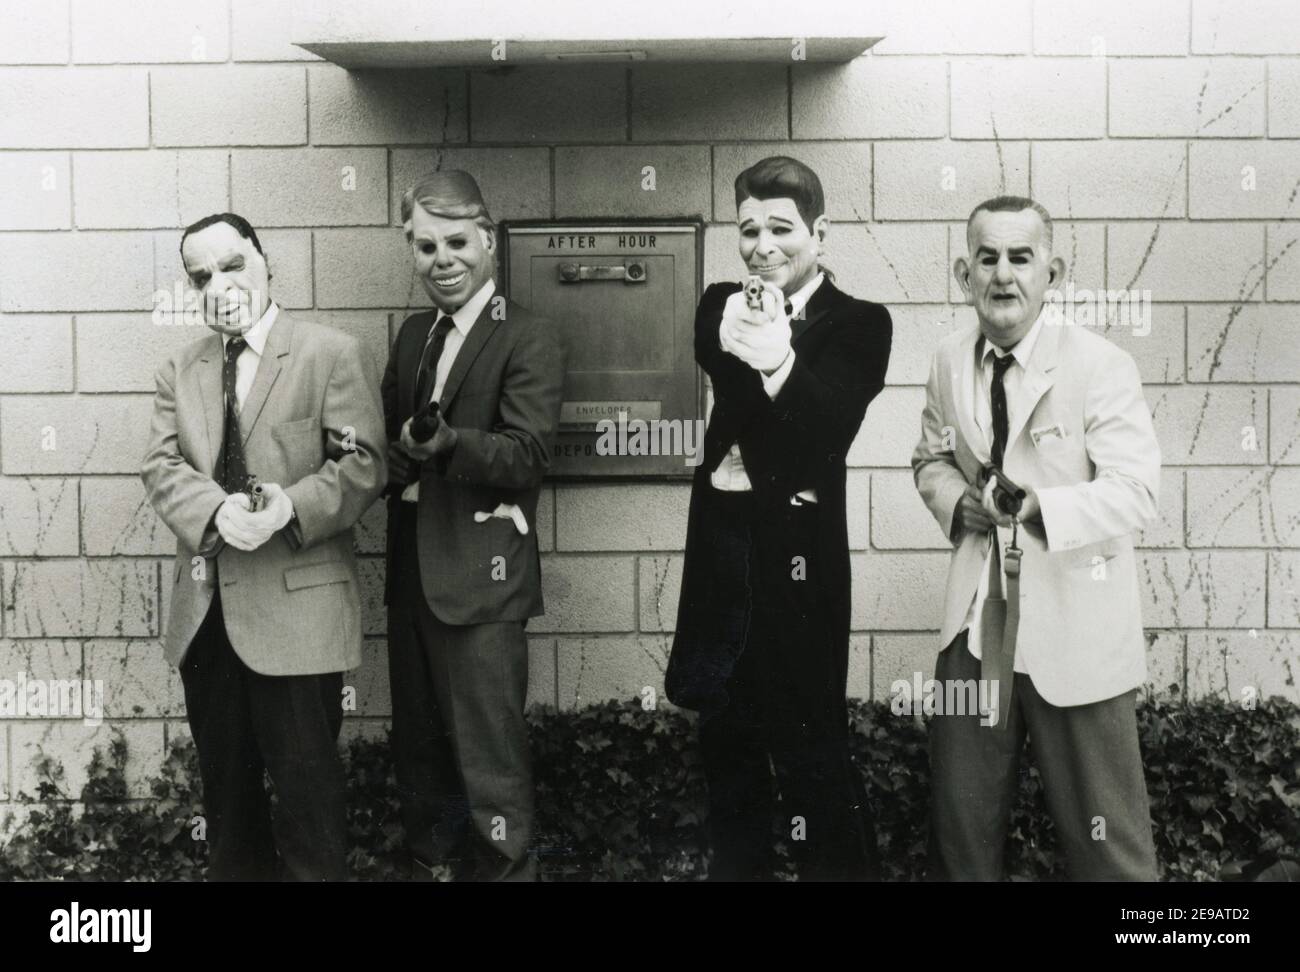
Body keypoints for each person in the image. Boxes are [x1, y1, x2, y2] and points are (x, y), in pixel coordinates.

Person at [912, 195, 1161, 881]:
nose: (1004, 274)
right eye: (987, 258)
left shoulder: (1099, 365)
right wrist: (957, 501)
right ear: (965, 275)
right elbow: (928, 457)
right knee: (962, 834)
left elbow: (1136, 489)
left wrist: (1038, 509)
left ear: (1053, 271)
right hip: (975, 631)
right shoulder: (946, 360)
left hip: (1075, 629)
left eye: (1021, 258)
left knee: (1108, 842)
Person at [141, 212, 386, 880]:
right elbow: (161, 469)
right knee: (230, 812)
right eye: (200, 275)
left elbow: (363, 466)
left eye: (232, 264)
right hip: (208, 620)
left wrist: (290, 507)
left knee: (309, 810)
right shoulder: (179, 370)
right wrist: (218, 509)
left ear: (264, 260)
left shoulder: (330, 353)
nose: (218, 283)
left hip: (297, 620)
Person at [665, 156, 892, 880]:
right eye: (749, 229)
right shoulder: (720, 305)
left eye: (783, 228)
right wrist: (776, 375)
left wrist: (778, 365)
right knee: (729, 762)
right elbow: (726, 358)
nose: (764, 246)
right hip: (726, 568)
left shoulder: (861, 324)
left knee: (814, 760)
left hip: (799, 577)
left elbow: (825, 430)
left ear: (819, 233)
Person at [382, 170, 564, 881]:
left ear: (488, 243)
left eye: (457, 241)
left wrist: (449, 444)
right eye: (425, 247)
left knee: (491, 771)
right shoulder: (411, 336)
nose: (443, 259)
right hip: (412, 585)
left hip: (483, 586)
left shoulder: (528, 334)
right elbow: (398, 451)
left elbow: (529, 454)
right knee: (421, 764)